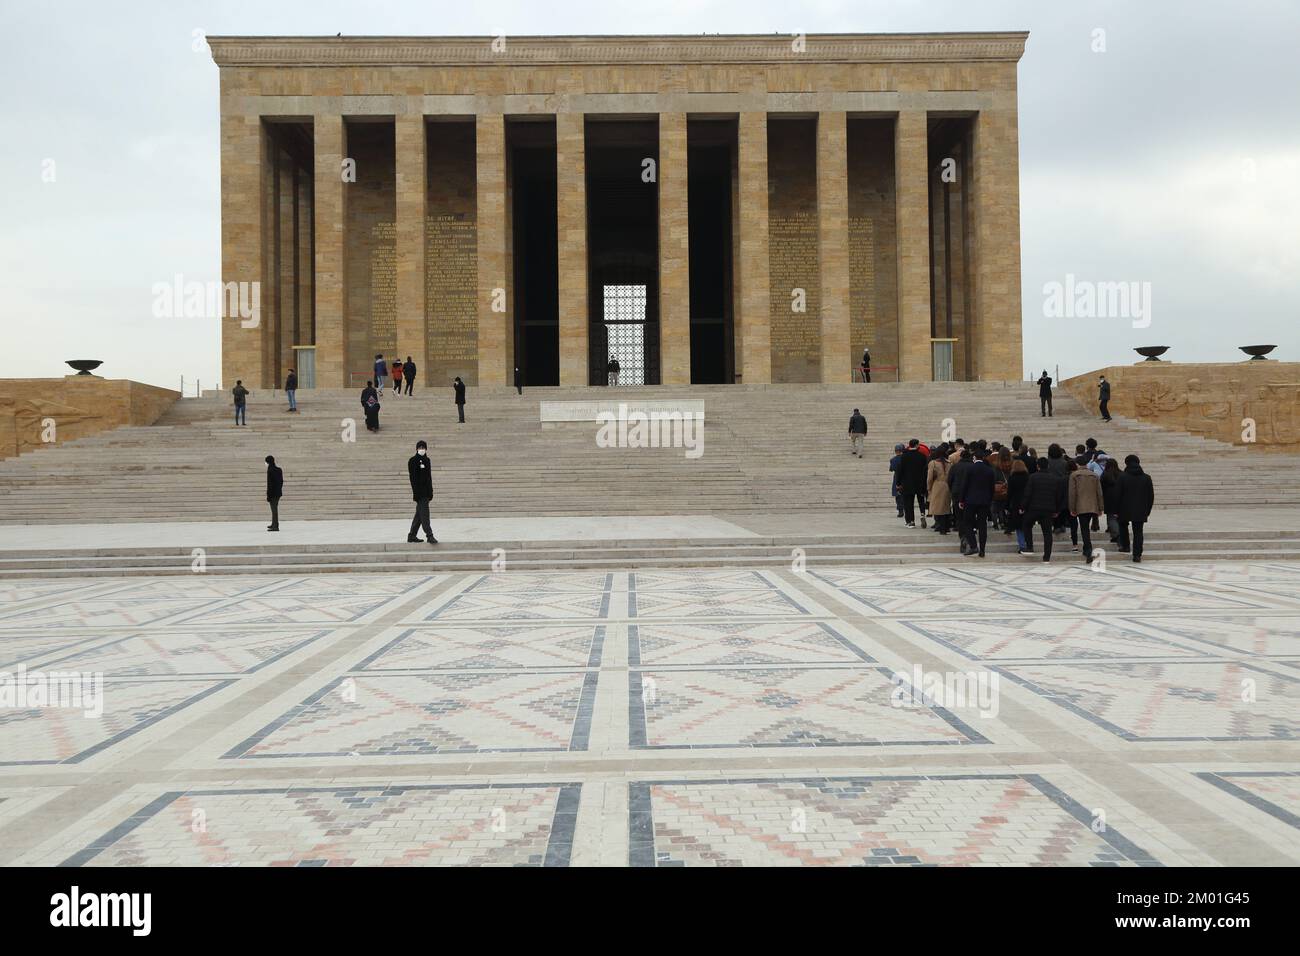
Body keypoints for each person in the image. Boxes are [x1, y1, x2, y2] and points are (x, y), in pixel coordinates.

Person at [1020, 457, 1066, 561]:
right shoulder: (1055, 479)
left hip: (1033, 508)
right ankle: (1047, 556)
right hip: (1048, 509)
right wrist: (1057, 510)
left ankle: (1030, 546)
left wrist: (1023, 506)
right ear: (1048, 466)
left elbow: (1028, 494)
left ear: (1038, 466)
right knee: (1047, 533)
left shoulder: (1032, 477)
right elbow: (1058, 496)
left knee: (1026, 524)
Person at [959, 451, 997, 557]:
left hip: (970, 500)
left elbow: (964, 485)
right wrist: (989, 499)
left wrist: (961, 500)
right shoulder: (989, 470)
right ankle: (983, 550)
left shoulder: (970, 469)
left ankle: (973, 545)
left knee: (967, 523)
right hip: (984, 501)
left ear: (974, 458)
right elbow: (992, 488)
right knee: (982, 525)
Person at [1117, 454, 1154, 561]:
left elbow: (1117, 494)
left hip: (1124, 508)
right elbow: (1150, 496)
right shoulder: (1146, 478)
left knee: (1123, 526)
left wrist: (1116, 509)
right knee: (1138, 532)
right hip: (1140, 509)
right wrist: (1147, 510)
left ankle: (1126, 546)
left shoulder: (1122, 476)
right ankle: (1137, 554)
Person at [1068, 457, 1105, 562]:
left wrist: (1072, 507)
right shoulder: (1095, 475)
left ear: (1078, 464)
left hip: (1080, 505)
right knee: (1085, 528)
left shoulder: (1074, 475)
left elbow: (1072, 493)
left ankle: (1088, 551)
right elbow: (1099, 493)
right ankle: (1086, 549)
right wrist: (1100, 507)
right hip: (1093, 506)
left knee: (1084, 529)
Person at [406, 439, 438, 545]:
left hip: (427, 493)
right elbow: (413, 479)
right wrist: (416, 493)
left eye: (423, 448)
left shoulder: (427, 460)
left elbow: (429, 477)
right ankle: (430, 535)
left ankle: (412, 535)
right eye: (420, 448)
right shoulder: (413, 461)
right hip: (420, 494)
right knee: (425, 515)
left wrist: (431, 491)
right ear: (416, 449)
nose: (421, 449)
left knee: (419, 515)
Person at [898, 439, 929, 528]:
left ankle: (911, 521)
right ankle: (922, 514)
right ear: (916, 445)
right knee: (921, 500)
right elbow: (925, 471)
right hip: (920, 483)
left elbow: (901, 470)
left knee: (908, 503)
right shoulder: (922, 456)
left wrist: (898, 482)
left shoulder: (904, 456)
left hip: (907, 483)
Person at [927, 447, 952, 535]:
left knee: (938, 508)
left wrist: (929, 488)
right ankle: (946, 526)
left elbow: (929, 478)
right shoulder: (949, 463)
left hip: (937, 485)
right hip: (947, 485)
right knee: (946, 507)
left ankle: (940, 527)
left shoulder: (933, 463)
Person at [1100, 455, 1122, 541]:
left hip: (1109, 499)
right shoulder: (1121, 474)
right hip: (1120, 498)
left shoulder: (1105, 474)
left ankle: (1116, 534)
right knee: (1119, 517)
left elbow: (1101, 487)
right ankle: (1117, 533)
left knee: (1111, 517)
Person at [265, 454, 283, 531]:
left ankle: (275, 526)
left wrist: (269, 495)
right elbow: (281, 481)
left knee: (274, 510)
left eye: (266, 462)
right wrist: (279, 490)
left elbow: (270, 484)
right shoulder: (279, 470)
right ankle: (274, 523)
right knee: (274, 509)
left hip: (273, 494)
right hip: (278, 493)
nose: (265, 463)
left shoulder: (270, 470)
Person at [889, 443, 906, 518]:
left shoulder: (893, 460)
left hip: (897, 478)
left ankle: (900, 510)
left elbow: (891, 469)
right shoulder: (906, 458)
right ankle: (906, 509)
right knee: (905, 495)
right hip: (905, 477)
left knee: (898, 495)